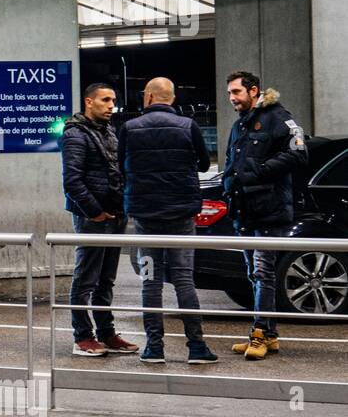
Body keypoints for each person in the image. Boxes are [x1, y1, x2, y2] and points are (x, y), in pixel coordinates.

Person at [118, 77, 217, 365]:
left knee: (151, 282)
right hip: (182, 216)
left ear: (148, 97)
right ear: (171, 98)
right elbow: (203, 164)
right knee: (185, 280)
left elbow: (121, 164)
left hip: (146, 218)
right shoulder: (188, 126)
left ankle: (154, 348)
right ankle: (196, 347)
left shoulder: (130, 128)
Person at [221, 71, 307, 360]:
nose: (232, 98)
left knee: (263, 272)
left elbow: (298, 154)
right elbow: (231, 163)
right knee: (254, 274)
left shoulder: (279, 117)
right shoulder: (239, 125)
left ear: (253, 90)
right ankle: (269, 335)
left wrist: (256, 173)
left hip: (269, 210)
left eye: (237, 92)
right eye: (230, 93)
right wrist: (229, 185)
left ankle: (258, 334)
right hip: (244, 211)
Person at [61, 83, 137, 357]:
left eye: (113, 100)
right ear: (88, 102)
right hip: (92, 218)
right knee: (86, 280)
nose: (110, 106)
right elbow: (72, 181)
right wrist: (95, 211)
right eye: (105, 100)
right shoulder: (75, 135)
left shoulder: (109, 132)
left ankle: (106, 333)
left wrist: (120, 207)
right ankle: (82, 337)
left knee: (106, 280)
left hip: (114, 215)